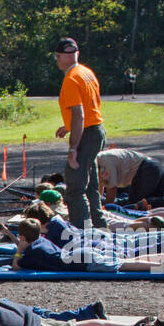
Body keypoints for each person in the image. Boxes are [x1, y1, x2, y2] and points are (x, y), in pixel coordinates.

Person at [54, 38, 108, 228]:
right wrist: (68, 126)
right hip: (96, 130)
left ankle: (82, 235)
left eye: (57, 56)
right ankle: (100, 227)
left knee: (75, 188)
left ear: (61, 57)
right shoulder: (86, 72)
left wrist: (73, 148)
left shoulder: (71, 79)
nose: (57, 60)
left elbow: (79, 115)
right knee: (91, 186)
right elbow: (87, 109)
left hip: (86, 134)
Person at [12, 218, 164, 274]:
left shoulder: (33, 252)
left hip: (81, 260)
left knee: (125, 264)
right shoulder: (42, 241)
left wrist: (19, 250)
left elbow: (16, 266)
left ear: (22, 237)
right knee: (127, 257)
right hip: (83, 252)